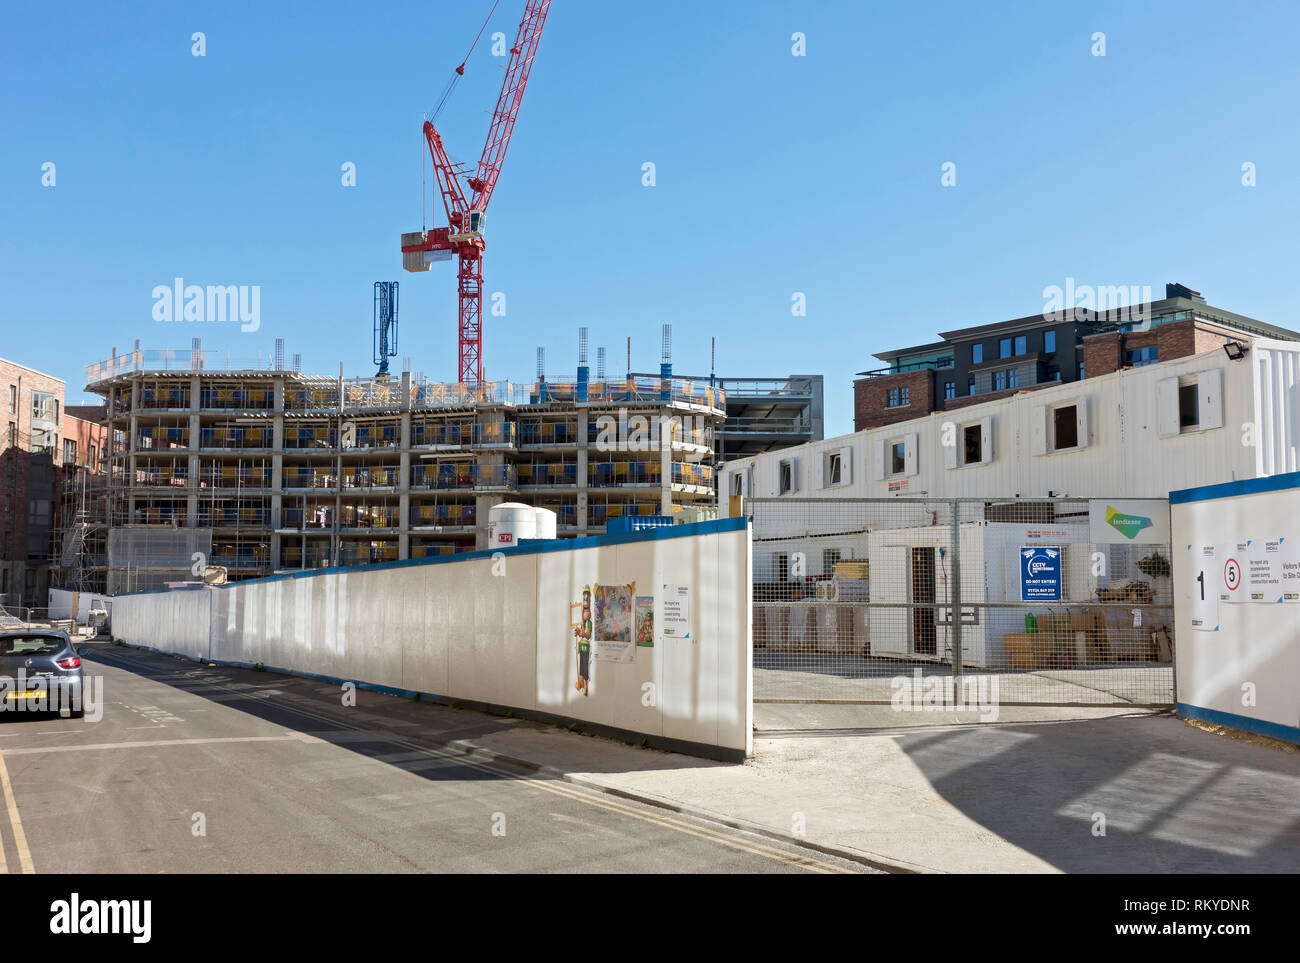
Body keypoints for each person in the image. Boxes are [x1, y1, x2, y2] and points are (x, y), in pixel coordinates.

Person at [574, 587, 592, 696]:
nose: (585, 613)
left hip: (586, 646)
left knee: (585, 665)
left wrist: (583, 633)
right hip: (581, 646)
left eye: (586, 611)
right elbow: (579, 633)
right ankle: (580, 682)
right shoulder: (581, 623)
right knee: (581, 665)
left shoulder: (588, 623)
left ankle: (585, 684)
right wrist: (577, 632)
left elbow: (588, 635)